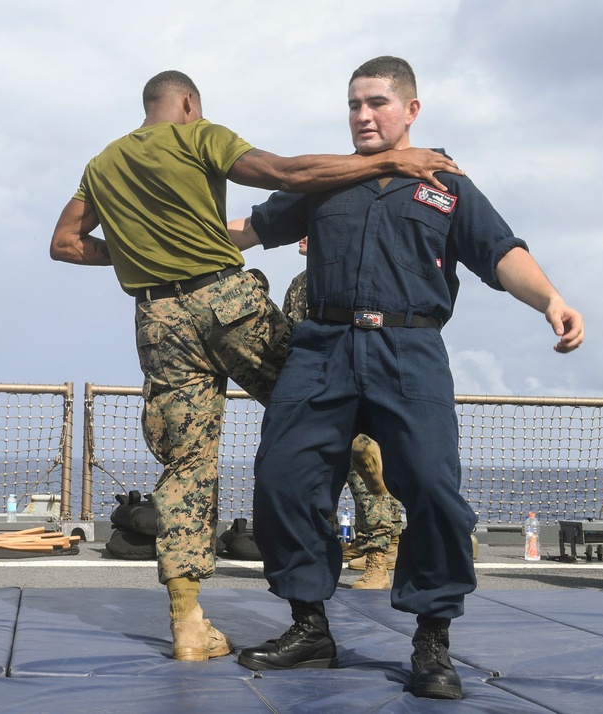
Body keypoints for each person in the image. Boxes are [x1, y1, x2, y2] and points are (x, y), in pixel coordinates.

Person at [49, 70, 461, 663]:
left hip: (159, 319)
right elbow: (287, 174)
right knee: (328, 400)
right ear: (187, 103)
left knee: (186, 463)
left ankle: (188, 622)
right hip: (226, 304)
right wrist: (390, 162)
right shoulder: (200, 135)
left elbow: (65, 243)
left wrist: (147, 251)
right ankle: (379, 524)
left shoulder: (102, 164)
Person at [228, 56, 584, 699]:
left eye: (378, 103)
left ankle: (432, 639)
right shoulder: (323, 183)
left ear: (411, 110)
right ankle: (310, 628)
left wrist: (551, 300)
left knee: (433, 487)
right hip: (323, 346)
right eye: (354, 105)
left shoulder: (448, 186)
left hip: (409, 348)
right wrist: (149, 242)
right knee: (284, 478)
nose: (364, 116)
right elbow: (246, 232)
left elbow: (502, 252)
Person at [283, 237, 405, 590]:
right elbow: (290, 336)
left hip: (359, 389)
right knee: (323, 476)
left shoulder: (356, 279)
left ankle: (379, 560)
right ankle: (344, 550)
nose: (302, 238)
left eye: (310, 231)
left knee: (367, 475)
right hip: (320, 393)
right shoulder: (303, 283)